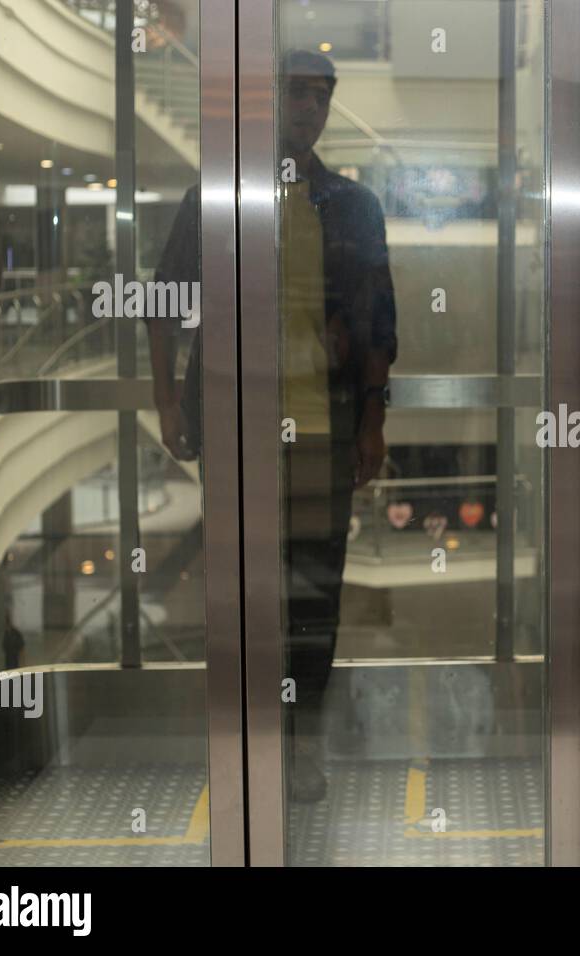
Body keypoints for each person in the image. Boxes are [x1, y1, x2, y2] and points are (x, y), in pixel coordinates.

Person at [148, 50, 397, 803]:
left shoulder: (353, 206)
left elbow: (381, 328)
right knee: (241, 594)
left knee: (315, 597)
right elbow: (164, 304)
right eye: (300, 92)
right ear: (272, 102)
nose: (313, 107)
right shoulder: (218, 199)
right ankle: (243, 745)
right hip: (234, 435)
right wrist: (166, 404)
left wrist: (372, 426)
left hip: (323, 429)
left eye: (324, 95)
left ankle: (299, 748)